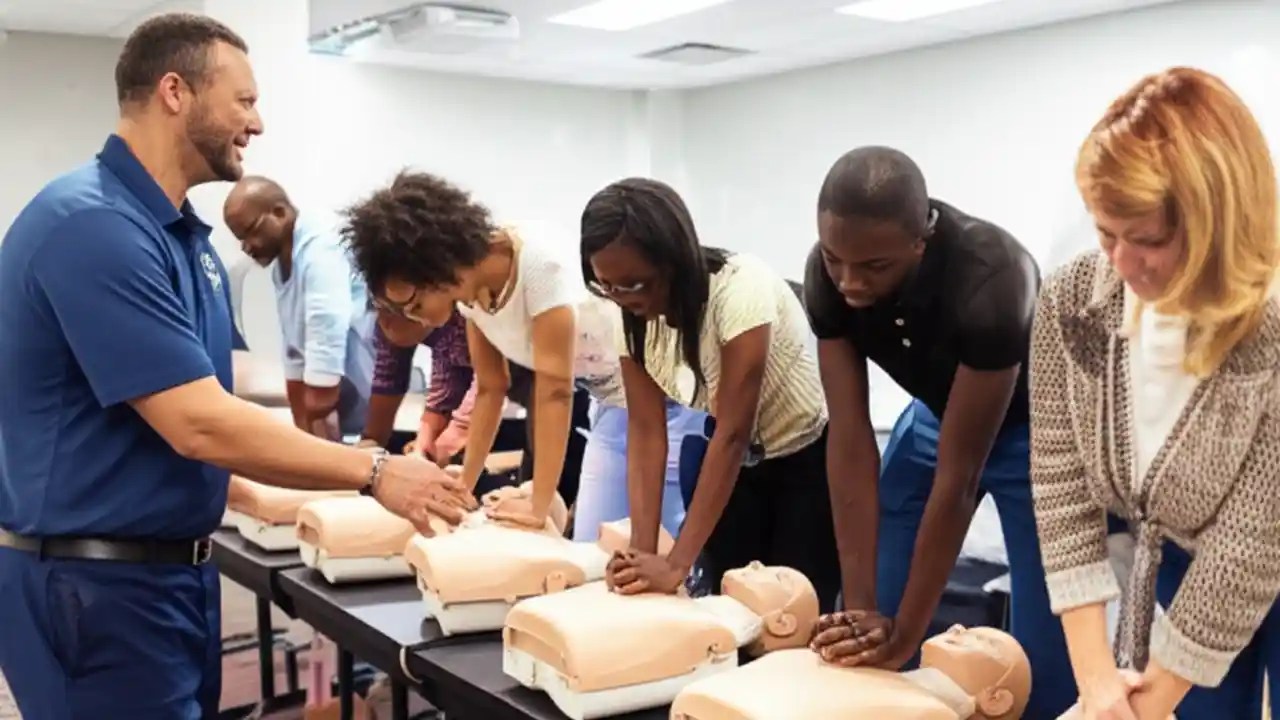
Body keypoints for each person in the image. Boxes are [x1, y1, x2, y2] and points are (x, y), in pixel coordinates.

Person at [0, 15, 470, 718]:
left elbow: (166, 426)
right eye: (244, 100)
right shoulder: (92, 226)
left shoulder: (186, 244)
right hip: (93, 588)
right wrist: (373, 472)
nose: (258, 122)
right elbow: (199, 424)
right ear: (174, 92)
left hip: (168, 580)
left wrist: (270, 496)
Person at [1030, 66, 1280, 720]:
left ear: (1215, 225)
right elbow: (1062, 487)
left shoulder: (1271, 329)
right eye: (1105, 233)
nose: (1120, 263)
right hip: (1182, 554)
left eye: (1147, 241)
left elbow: (1254, 537)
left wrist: (1145, 705)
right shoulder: (1075, 304)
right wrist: (1096, 686)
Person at [802, 146, 1074, 718]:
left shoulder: (994, 276)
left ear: (920, 239)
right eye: (834, 260)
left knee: (1042, 643)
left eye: (875, 267)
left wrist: (909, 634)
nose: (849, 282)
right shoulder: (829, 273)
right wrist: (861, 612)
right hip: (932, 418)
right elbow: (849, 441)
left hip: (1039, 433)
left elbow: (960, 477)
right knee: (877, 601)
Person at [342, 172, 703, 539]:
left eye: (414, 304)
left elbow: (555, 392)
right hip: (613, 402)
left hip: (670, 395)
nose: (412, 318)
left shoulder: (538, 266)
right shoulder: (469, 294)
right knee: (595, 542)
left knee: (661, 542)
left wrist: (539, 504)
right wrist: (462, 487)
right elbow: (490, 389)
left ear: (439, 268)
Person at [581, 177, 840, 610]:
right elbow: (646, 429)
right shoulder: (627, 317)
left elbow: (735, 433)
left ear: (673, 260)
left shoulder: (741, 290)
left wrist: (676, 564)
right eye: (607, 285)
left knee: (793, 614)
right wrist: (644, 554)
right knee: (730, 607)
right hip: (733, 465)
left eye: (635, 283)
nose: (622, 297)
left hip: (806, 461)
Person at [224, 175, 376, 439]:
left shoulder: (321, 246)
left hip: (357, 375)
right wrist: (303, 424)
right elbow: (293, 338)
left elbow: (326, 319)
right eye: (241, 239)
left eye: (251, 232)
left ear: (280, 213)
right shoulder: (283, 263)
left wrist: (317, 402)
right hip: (335, 383)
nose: (247, 246)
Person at [358, 307, 477, 458]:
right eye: (382, 308)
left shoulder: (462, 318)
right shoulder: (391, 321)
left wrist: (439, 449)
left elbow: (490, 386)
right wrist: (369, 446)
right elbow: (388, 378)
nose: (387, 321)